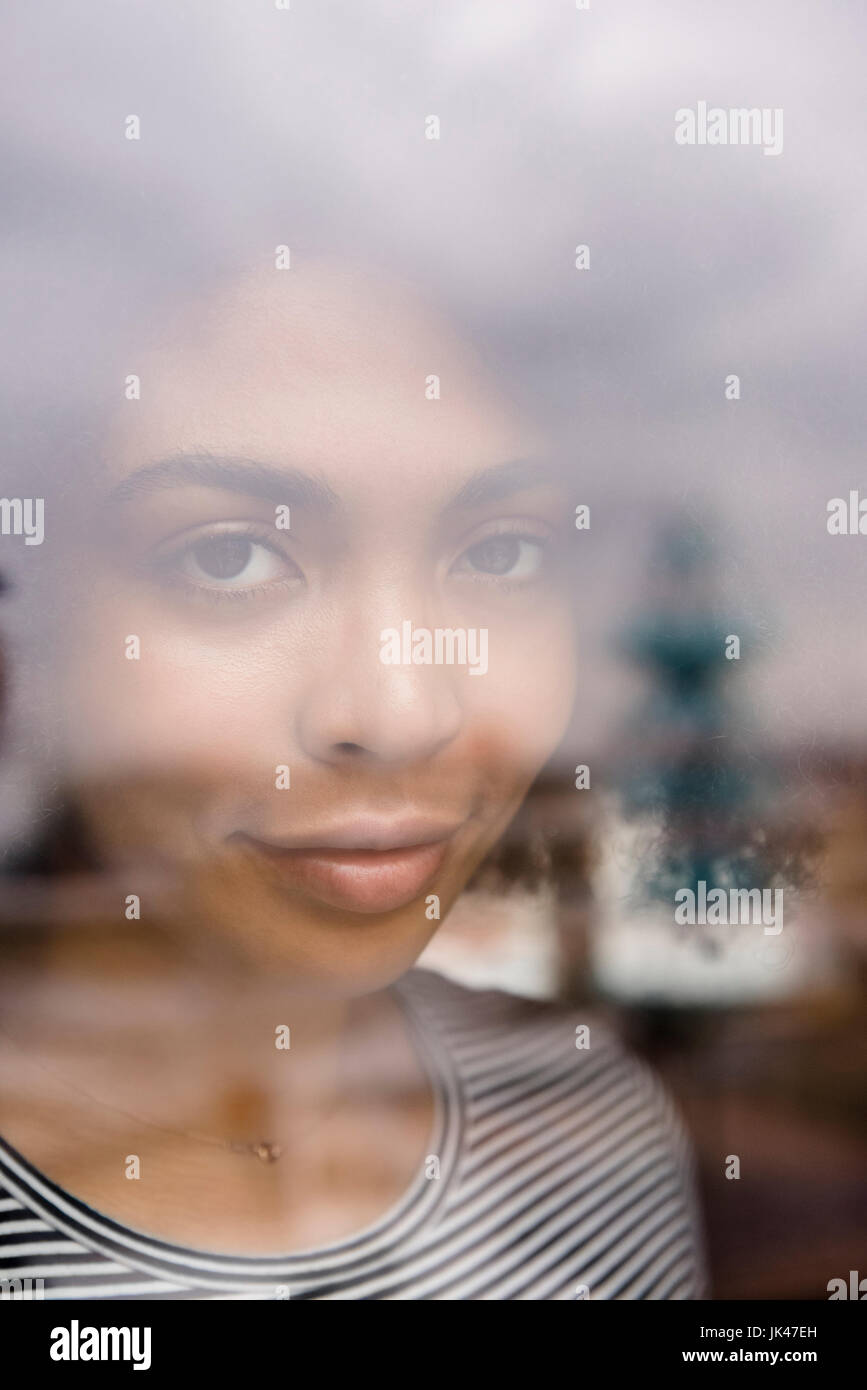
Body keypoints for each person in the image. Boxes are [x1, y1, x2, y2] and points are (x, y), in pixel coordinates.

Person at [0, 261, 707, 1299]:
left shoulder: (593, 1131)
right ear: (37, 636)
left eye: (501, 553)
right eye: (229, 557)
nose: (401, 713)